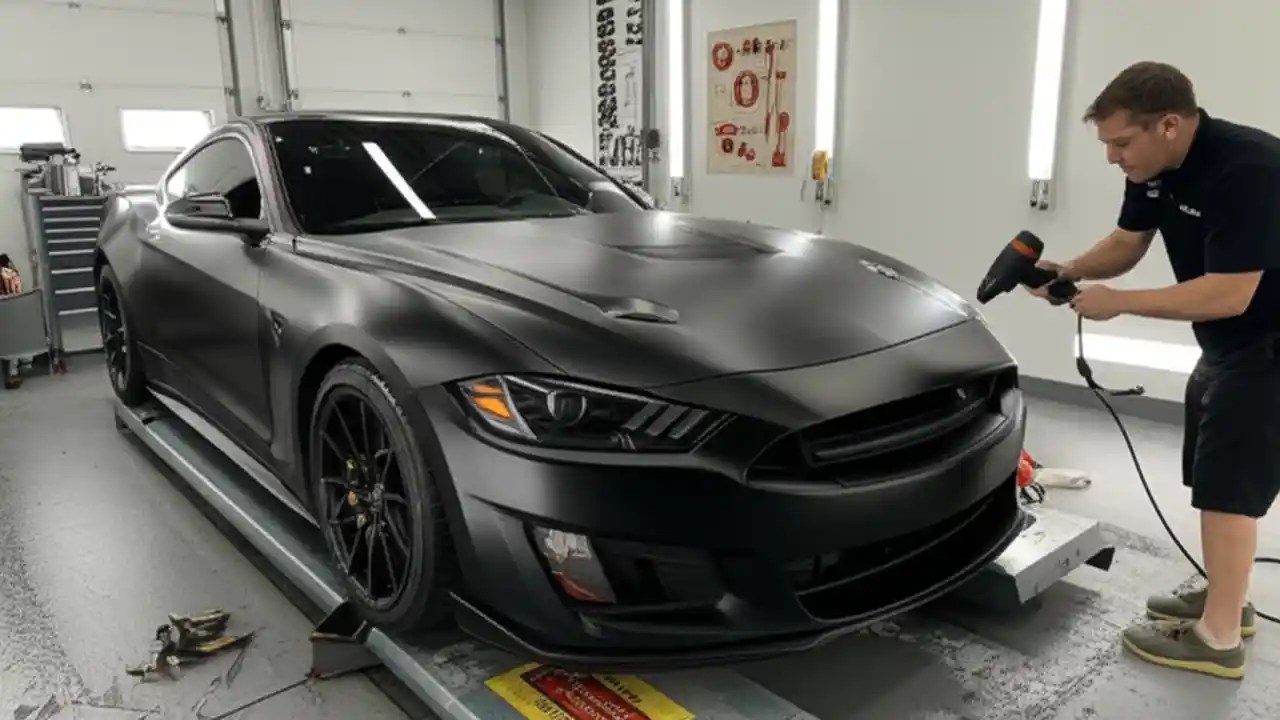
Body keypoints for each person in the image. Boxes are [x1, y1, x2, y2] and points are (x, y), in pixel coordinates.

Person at [1029, 61, 1280, 680]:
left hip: (1269, 345)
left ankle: (1218, 639)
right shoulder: (1155, 169)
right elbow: (1127, 241)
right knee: (1209, 469)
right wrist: (1068, 274)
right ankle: (1230, 596)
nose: (1113, 158)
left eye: (1120, 143)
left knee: (1229, 485)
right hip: (1228, 346)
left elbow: (1230, 294)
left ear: (1168, 124)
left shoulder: (1249, 170)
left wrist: (1120, 305)